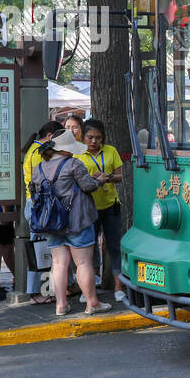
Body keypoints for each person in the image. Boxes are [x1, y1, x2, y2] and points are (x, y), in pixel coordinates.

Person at [30, 138, 111, 316]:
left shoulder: (39, 168)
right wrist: (100, 180)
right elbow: (88, 186)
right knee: (83, 263)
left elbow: (34, 192)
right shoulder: (73, 164)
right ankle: (92, 303)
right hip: (77, 220)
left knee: (58, 264)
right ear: (65, 150)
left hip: (51, 223)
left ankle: (61, 305)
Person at [76, 118, 125, 302]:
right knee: (88, 249)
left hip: (110, 205)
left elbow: (120, 176)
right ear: (83, 137)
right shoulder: (77, 154)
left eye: (98, 137)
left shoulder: (111, 151)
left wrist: (108, 177)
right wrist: (91, 180)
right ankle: (87, 289)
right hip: (88, 208)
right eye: (90, 137)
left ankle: (118, 288)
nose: (94, 141)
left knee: (114, 246)